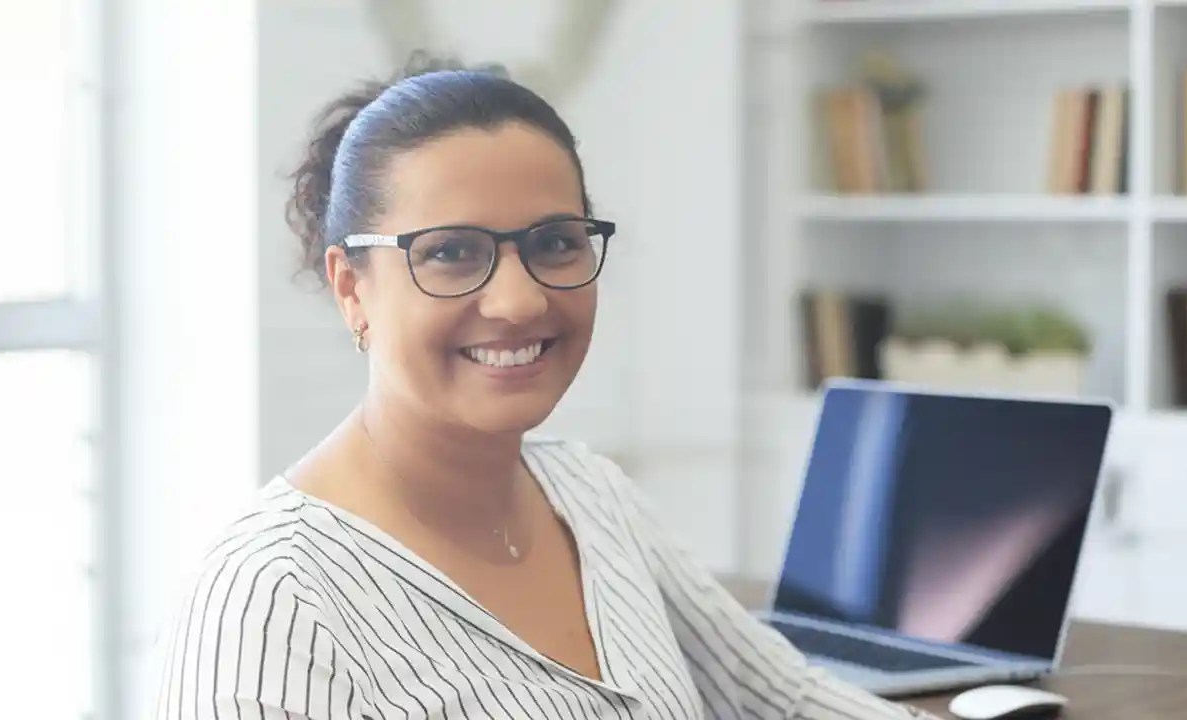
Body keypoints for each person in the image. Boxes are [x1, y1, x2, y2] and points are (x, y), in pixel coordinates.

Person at [154, 55, 934, 719]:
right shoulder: (272, 601)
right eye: (453, 252)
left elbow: (786, 700)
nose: (522, 300)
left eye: (555, 242)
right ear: (351, 287)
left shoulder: (589, 493)